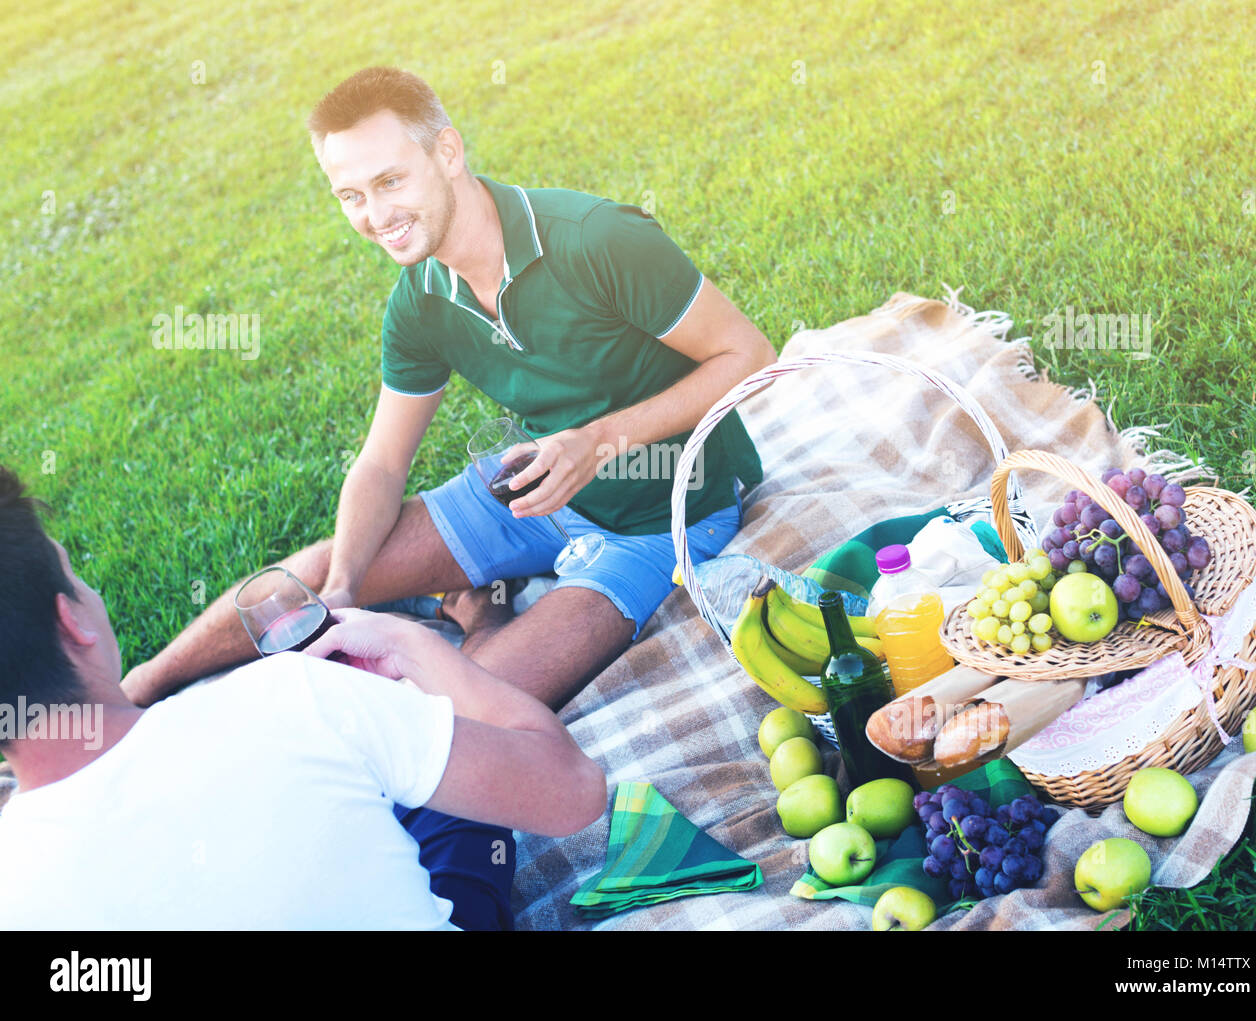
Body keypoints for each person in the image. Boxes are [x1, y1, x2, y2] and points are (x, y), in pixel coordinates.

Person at [122, 66, 777, 711]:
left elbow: (749, 353)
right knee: (310, 578)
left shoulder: (597, 239)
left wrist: (600, 441)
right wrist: (344, 587)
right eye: (350, 196)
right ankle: (140, 686)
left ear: (448, 151)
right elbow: (381, 462)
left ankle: (477, 617)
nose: (376, 216)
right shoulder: (418, 302)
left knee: (475, 704)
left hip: (669, 514)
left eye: (389, 181)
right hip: (532, 488)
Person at [0, 466, 605, 930]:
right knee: (445, 793)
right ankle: (480, 622)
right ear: (70, 621)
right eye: (74, 575)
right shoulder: (294, 697)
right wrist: (408, 644)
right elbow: (573, 792)